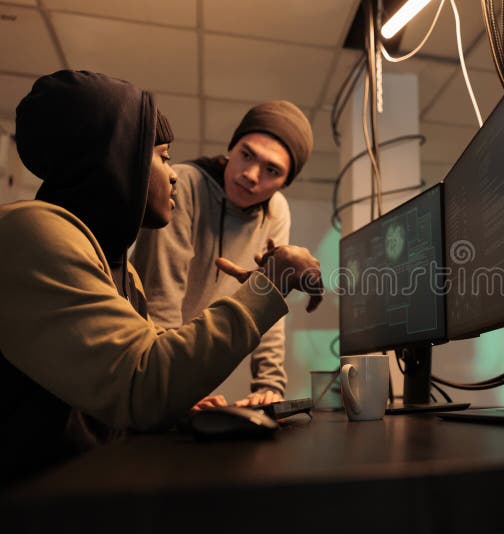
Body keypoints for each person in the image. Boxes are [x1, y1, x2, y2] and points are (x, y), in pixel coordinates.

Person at [0, 70, 322, 483]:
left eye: (272, 170)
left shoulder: (117, 266)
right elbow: (144, 382)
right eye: (164, 157)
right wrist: (270, 283)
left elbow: (148, 359)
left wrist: (190, 396)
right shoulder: (34, 233)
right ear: (119, 158)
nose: (173, 173)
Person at [132, 101, 313, 408]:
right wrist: (178, 388)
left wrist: (269, 385)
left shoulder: (276, 210)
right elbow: (160, 297)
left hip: (189, 363)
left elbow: (270, 296)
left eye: (272, 171)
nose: (252, 175)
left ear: (285, 182)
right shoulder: (182, 182)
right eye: (246, 155)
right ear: (232, 148)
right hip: (148, 366)